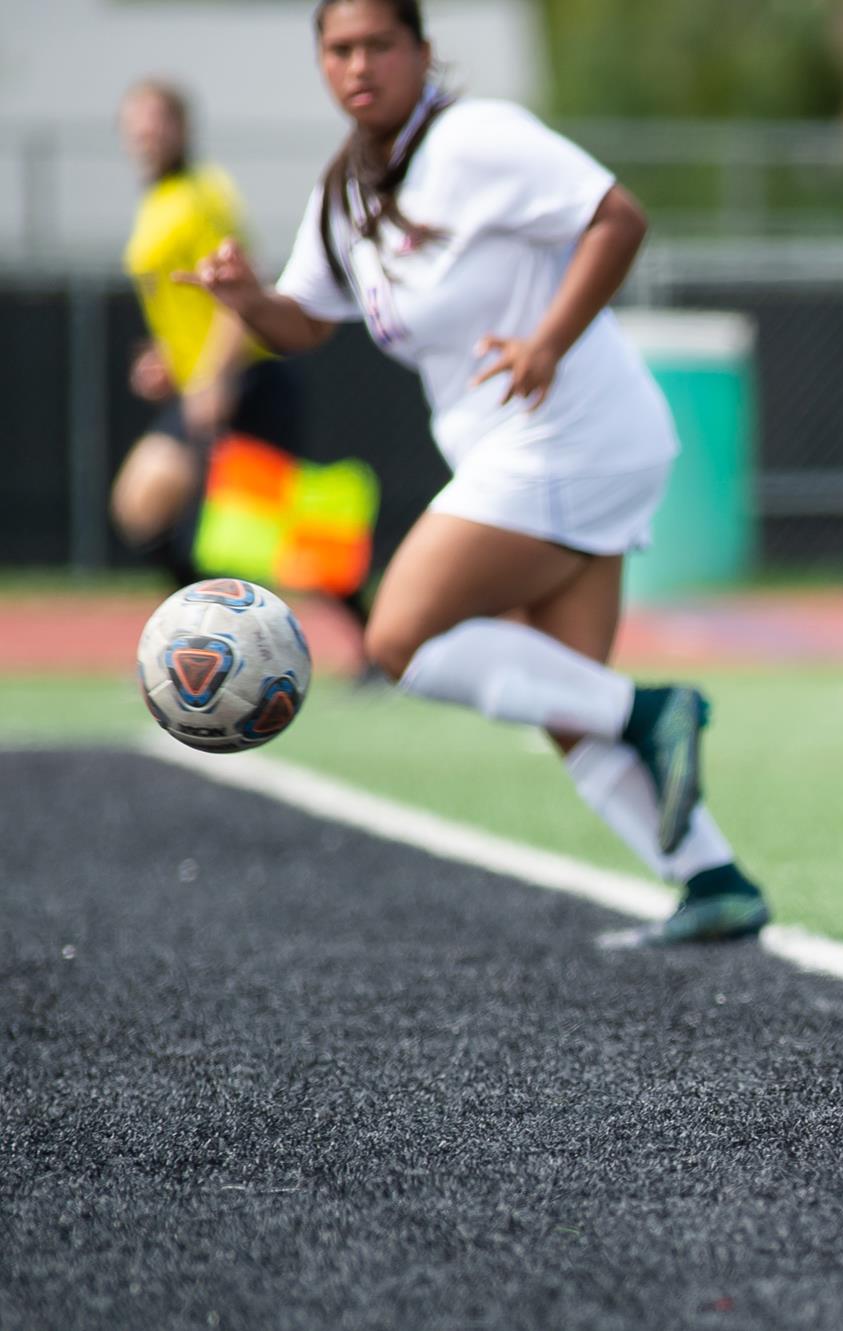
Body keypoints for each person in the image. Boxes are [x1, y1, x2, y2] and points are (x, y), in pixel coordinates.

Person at [177, 0, 768, 946]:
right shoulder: (347, 192)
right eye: (339, 50)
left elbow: (617, 217)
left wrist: (546, 341)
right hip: (536, 449)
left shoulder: (479, 139)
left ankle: (657, 709)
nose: (359, 65)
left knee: (402, 639)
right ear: (321, 64)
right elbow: (305, 321)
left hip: (568, 432)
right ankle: (715, 880)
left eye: (379, 45)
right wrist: (246, 300)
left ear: (420, 52)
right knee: (566, 695)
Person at [113, 79, 370, 647]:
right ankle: (204, 635)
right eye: (136, 124)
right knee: (143, 505)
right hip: (200, 383)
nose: (146, 134)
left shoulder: (205, 193)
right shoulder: (157, 201)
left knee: (283, 528)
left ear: (182, 128)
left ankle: (372, 637)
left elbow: (235, 290)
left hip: (244, 380)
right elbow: (184, 303)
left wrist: (215, 376)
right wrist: (169, 358)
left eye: (157, 121)